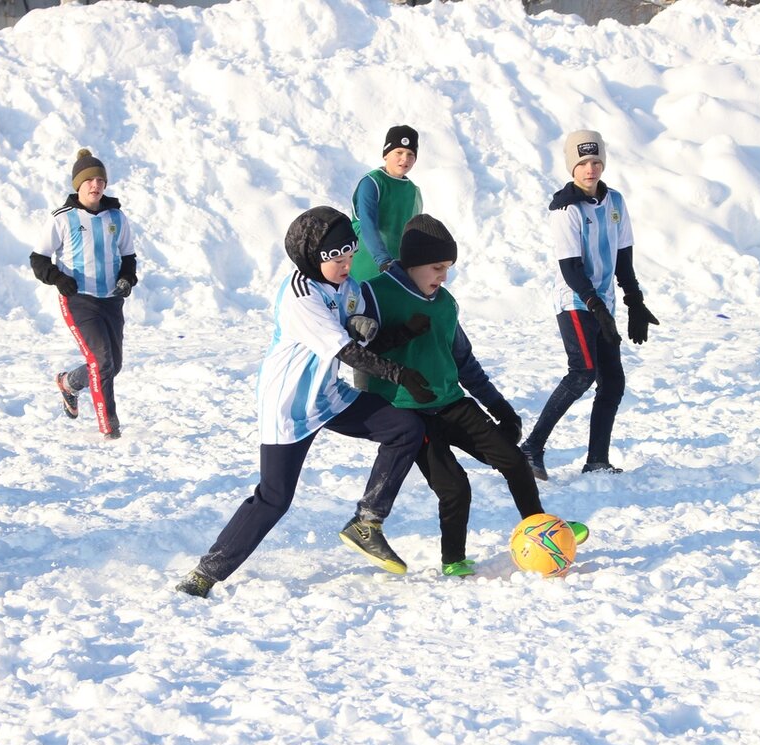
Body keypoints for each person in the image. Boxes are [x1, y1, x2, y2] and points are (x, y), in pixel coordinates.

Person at [175, 206, 437, 599]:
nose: (348, 266)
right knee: (273, 498)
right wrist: (401, 375)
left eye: (351, 256)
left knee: (405, 429)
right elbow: (349, 352)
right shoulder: (301, 295)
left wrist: (397, 332)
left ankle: (366, 522)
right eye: (339, 259)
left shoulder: (348, 288)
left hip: (330, 397)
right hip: (290, 405)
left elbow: (365, 340)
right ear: (313, 258)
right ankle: (205, 573)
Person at [353, 214, 586, 577]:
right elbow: (358, 351)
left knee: (513, 459)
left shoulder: (445, 304)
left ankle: (542, 529)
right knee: (455, 487)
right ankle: (453, 560)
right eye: (437, 267)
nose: (443, 276)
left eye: (447, 267)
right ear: (414, 263)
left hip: (452, 403)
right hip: (407, 414)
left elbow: (464, 361)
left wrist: (499, 406)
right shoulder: (374, 294)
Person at [520, 130, 660, 480]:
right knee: (582, 371)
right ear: (572, 166)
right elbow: (570, 268)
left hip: (604, 303)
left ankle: (597, 459)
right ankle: (531, 448)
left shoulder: (615, 202)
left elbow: (623, 257)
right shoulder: (565, 208)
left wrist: (634, 301)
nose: (590, 169)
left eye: (596, 161)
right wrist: (594, 305)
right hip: (575, 300)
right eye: (582, 162)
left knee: (612, 382)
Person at [30, 148, 138, 440]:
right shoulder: (63, 218)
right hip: (79, 301)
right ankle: (109, 429)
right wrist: (59, 279)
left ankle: (68, 383)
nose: (95, 185)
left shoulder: (117, 217)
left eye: (100, 180)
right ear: (78, 185)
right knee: (101, 362)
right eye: (89, 180)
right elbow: (38, 259)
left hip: (111, 301)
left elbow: (128, 256)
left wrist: (128, 278)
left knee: (112, 365)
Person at [349, 124, 423, 284]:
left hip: (395, 270)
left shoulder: (413, 191)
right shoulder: (372, 182)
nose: (405, 159)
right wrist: (383, 260)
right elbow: (368, 225)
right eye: (399, 152)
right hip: (366, 264)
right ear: (386, 154)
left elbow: (412, 235)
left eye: (411, 154)